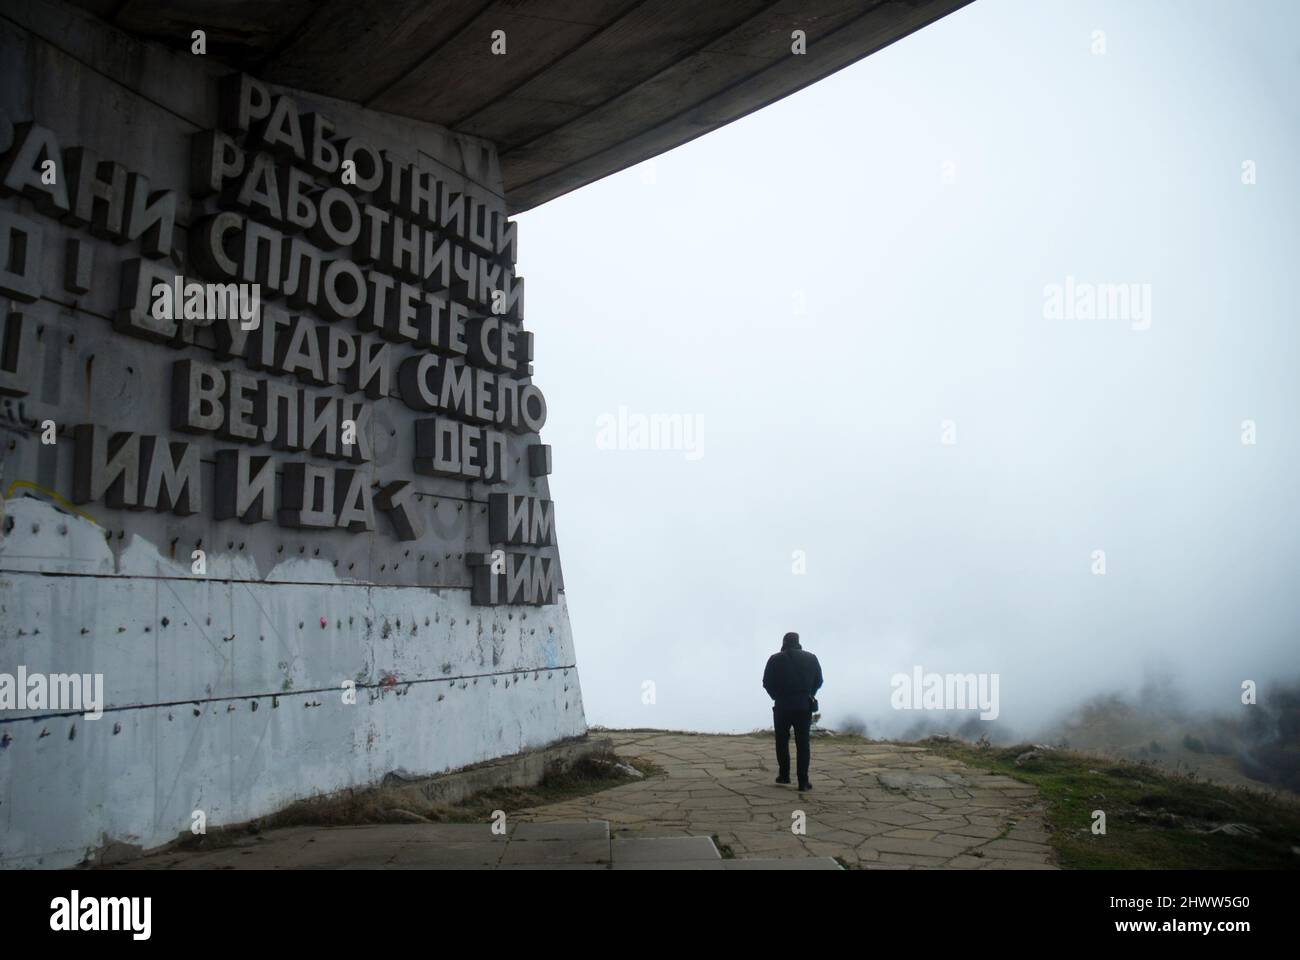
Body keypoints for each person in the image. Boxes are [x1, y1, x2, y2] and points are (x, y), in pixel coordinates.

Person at [762, 631, 823, 791]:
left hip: (782, 706)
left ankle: (784, 775)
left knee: (782, 741)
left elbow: (767, 682)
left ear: (784, 642)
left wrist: (776, 696)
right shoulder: (811, 658)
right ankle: (803, 782)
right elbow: (819, 681)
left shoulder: (775, 659)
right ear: (798, 641)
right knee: (803, 744)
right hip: (803, 706)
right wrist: (810, 694)